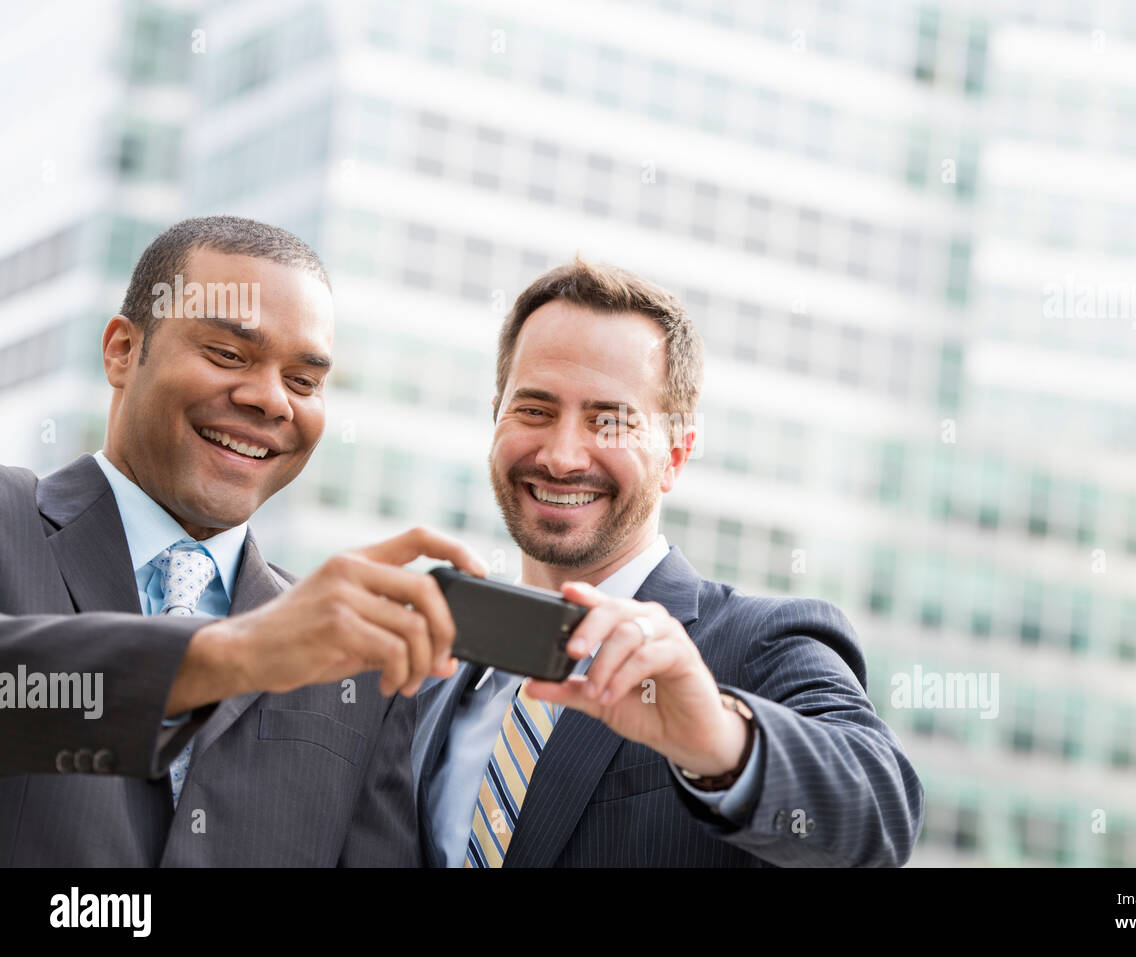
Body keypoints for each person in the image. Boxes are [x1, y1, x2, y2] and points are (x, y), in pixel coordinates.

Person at [0, 215, 485, 866]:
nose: (270, 400)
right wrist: (232, 652)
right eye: (228, 354)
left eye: (304, 381)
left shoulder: (357, 665)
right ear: (122, 350)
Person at [412, 259, 924, 867]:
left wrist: (718, 741)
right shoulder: (432, 666)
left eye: (611, 420)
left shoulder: (759, 645)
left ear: (675, 456)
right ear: (496, 415)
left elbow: (879, 816)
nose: (562, 455)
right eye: (535, 410)